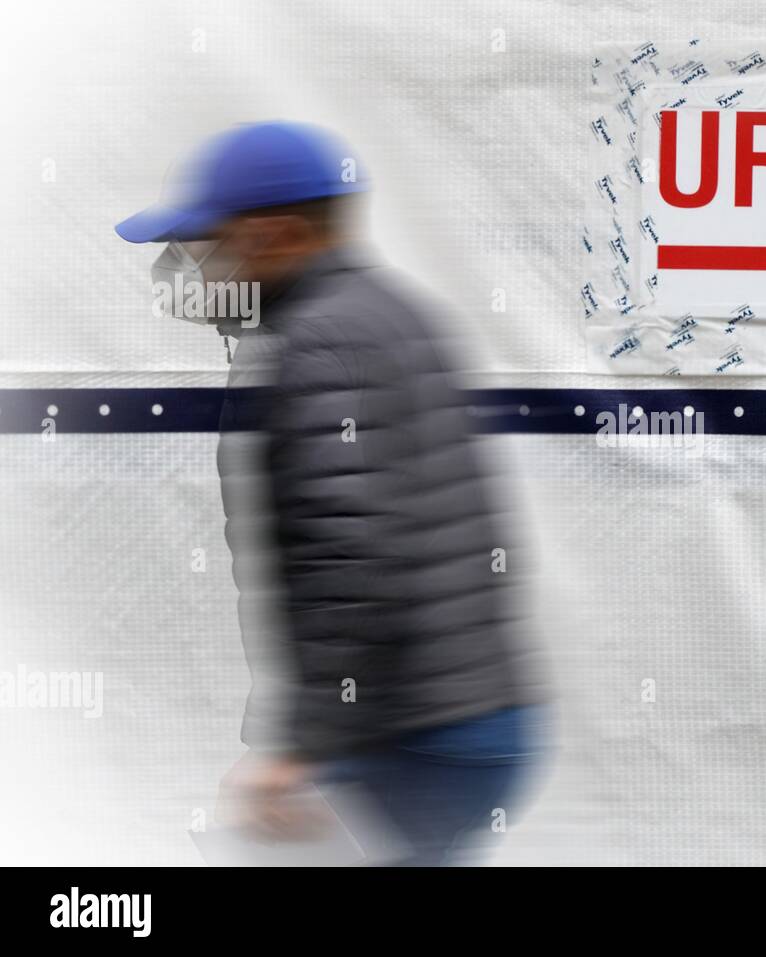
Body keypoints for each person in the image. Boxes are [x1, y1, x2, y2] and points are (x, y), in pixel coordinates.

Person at [116, 121, 547, 865]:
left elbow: (352, 558)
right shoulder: (399, 313)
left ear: (274, 235)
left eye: (206, 246)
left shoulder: (321, 342)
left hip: (414, 730)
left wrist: (301, 747)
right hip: (477, 713)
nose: (191, 271)